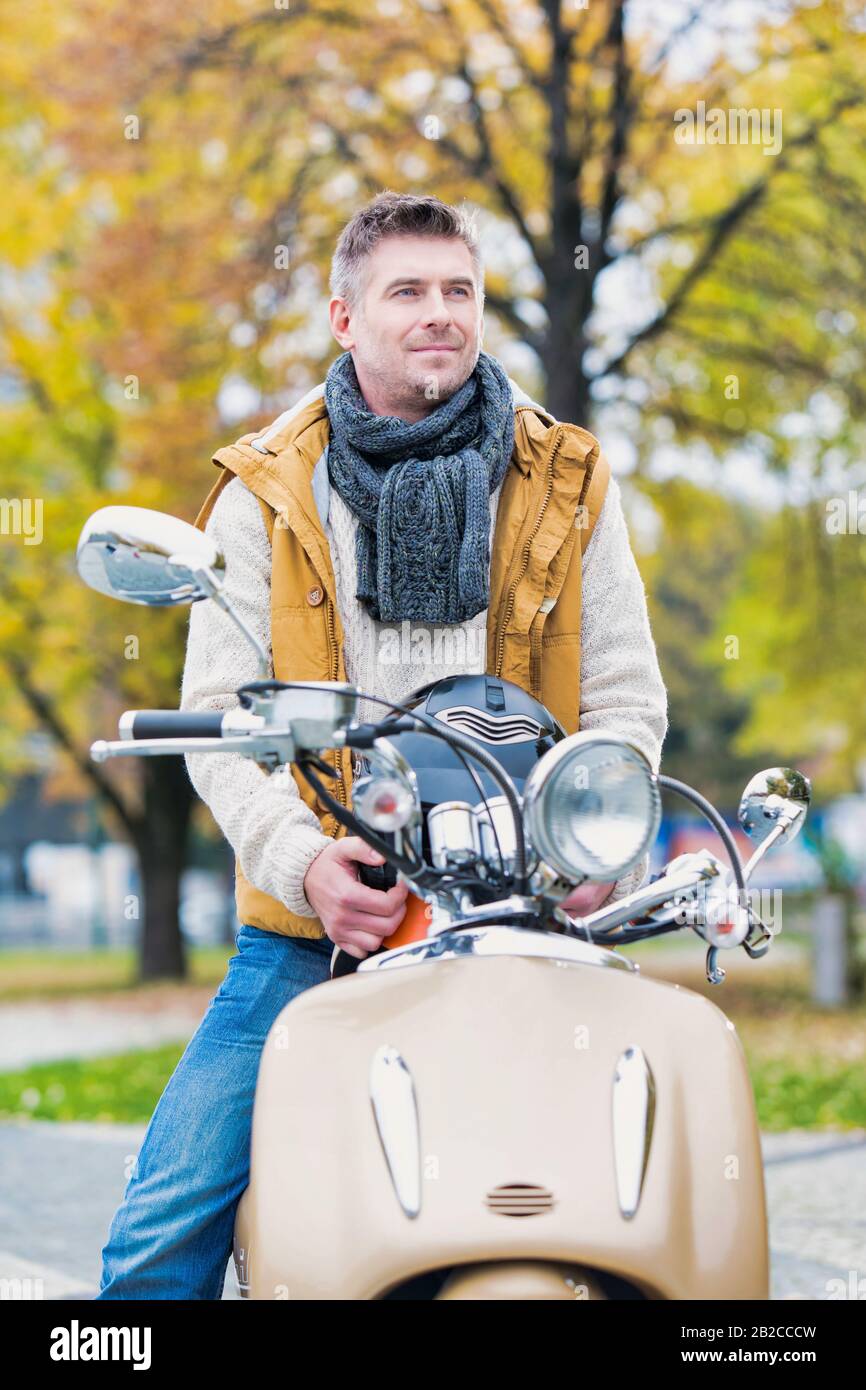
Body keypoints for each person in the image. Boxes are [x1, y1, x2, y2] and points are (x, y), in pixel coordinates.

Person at [96, 191, 667, 1299]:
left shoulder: (568, 475)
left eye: (458, 291)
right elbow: (221, 716)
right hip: (315, 927)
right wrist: (302, 863)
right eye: (406, 291)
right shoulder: (263, 487)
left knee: (651, 1187)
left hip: (527, 915)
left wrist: (591, 843)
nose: (439, 314)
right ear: (344, 318)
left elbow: (624, 702)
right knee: (156, 1236)